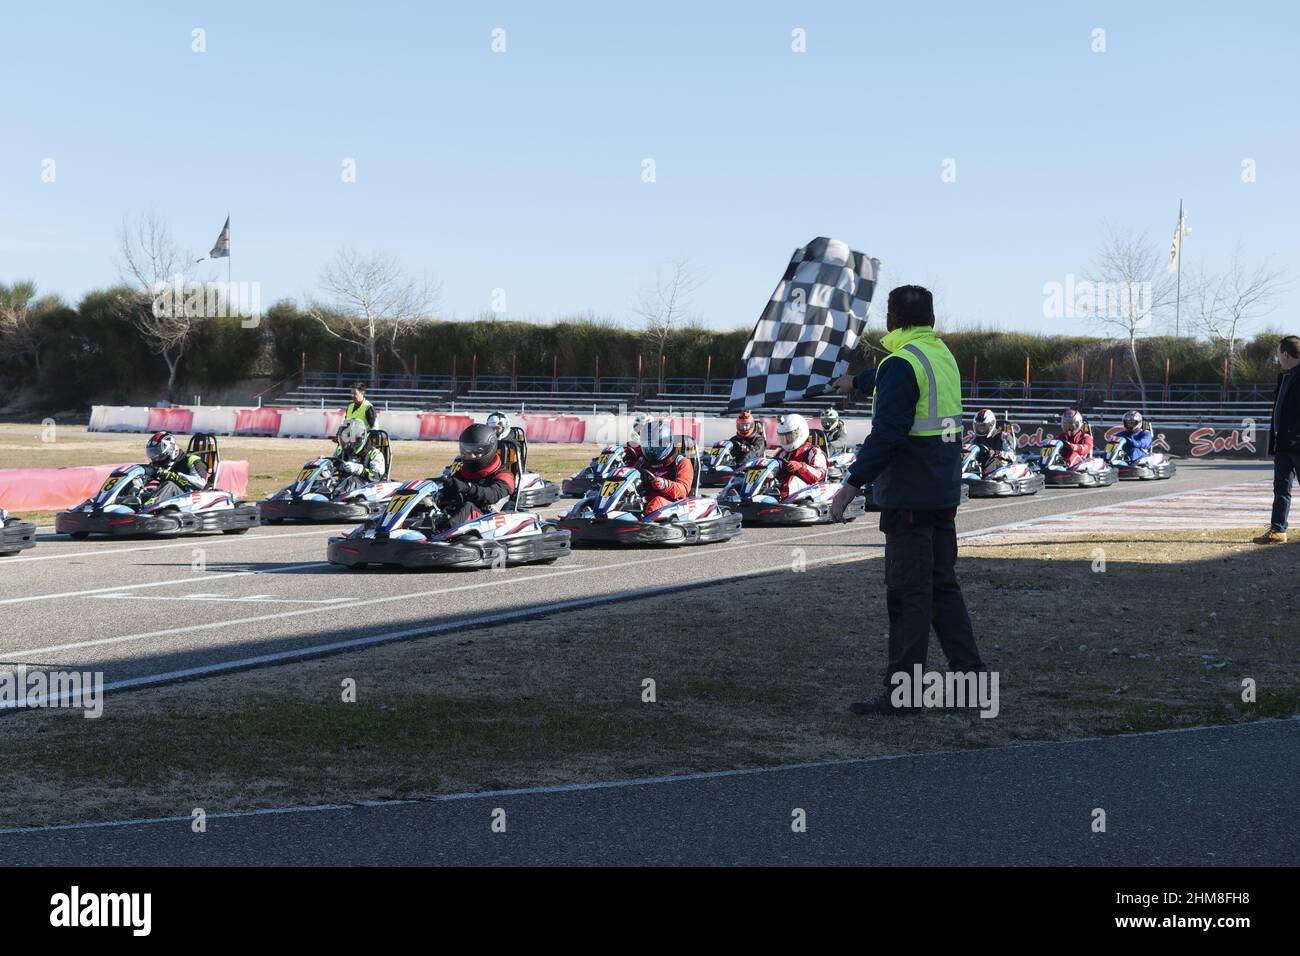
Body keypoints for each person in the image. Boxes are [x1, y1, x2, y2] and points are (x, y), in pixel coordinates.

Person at [828, 285, 985, 716]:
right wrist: (856, 381)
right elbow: (892, 378)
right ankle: (970, 680)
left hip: (910, 495)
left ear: (891, 320)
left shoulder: (900, 362)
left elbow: (889, 432)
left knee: (907, 594)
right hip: (941, 492)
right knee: (941, 587)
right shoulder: (939, 356)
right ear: (929, 319)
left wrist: (851, 483)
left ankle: (904, 693)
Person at [1255, 335, 1300, 544]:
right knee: (1281, 489)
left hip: (1297, 443)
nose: (1277, 358)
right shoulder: (1286, 376)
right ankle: (1278, 530)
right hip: (1282, 444)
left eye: (1278, 354)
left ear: (1285, 354)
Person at [435, 424, 517, 527]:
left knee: (468, 507)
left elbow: (492, 495)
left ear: (489, 450)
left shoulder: (504, 475)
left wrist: (467, 488)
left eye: (476, 452)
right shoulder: (463, 472)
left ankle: (441, 534)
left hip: (490, 518)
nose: (470, 456)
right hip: (463, 518)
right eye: (466, 451)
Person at [626, 420, 692, 514]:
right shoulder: (643, 461)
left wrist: (665, 484)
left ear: (666, 443)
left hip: (671, 503)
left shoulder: (681, 461)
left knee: (657, 503)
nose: (652, 450)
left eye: (656, 446)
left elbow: (684, 490)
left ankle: (644, 526)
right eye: (648, 446)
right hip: (644, 499)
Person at [142, 431, 209, 504]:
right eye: (153, 454)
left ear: (171, 450)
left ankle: (147, 507)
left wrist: (173, 476)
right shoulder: (163, 464)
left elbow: (201, 484)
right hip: (172, 499)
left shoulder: (193, 460)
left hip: (191, 499)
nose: (156, 458)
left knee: (169, 485)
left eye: (158, 455)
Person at [773, 413, 828, 497]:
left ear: (800, 433)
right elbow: (775, 467)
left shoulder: (814, 452)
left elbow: (819, 474)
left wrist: (801, 467)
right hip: (783, 488)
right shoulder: (782, 453)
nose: (786, 440)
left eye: (789, 437)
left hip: (808, 488)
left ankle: (779, 502)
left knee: (792, 480)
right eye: (783, 438)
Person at [332, 418, 386, 493]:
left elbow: (376, 476)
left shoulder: (375, 454)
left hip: (366, 489)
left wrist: (358, 469)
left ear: (361, 439)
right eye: (346, 441)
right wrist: (325, 466)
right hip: (342, 486)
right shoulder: (340, 451)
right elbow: (334, 465)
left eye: (352, 441)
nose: (348, 445)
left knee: (351, 481)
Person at [969, 409, 1015, 474]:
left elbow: (1013, 456)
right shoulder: (975, 438)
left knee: (995, 462)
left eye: (984, 426)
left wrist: (996, 453)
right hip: (979, 468)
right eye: (979, 426)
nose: (981, 429)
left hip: (999, 470)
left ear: (991, 424)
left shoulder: (1003, 436)